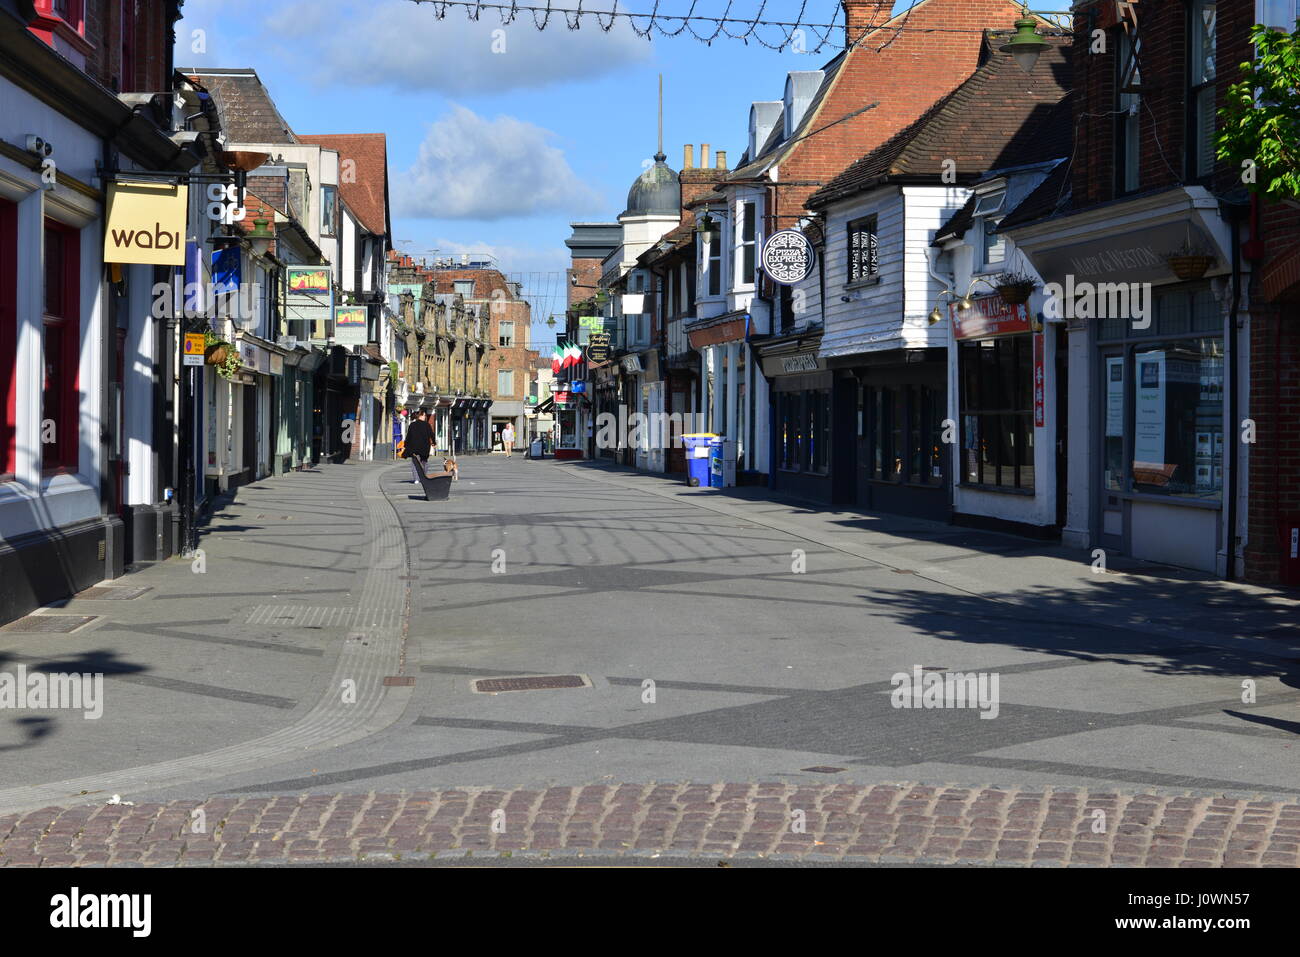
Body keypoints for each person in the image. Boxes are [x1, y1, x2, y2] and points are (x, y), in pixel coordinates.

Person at [402, 410, 433, 482]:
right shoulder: (426, 425)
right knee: (424, 462)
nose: (425, 417)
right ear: (420, 416)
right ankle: (423, 477)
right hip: (424, 448)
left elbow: (408, 436)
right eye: (424, 415)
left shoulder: (412, 425)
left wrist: (406, 445)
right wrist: (434, 443)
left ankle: (416, 479)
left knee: (415, 463)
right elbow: (431, 434)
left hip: (414, 447)